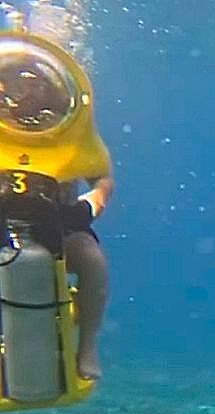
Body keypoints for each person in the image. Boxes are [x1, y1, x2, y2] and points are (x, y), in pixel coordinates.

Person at [0, 57, 112, 380]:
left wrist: (94, 201)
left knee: (93, 261)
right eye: (18, 83)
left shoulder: (69, 125)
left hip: (60, 220)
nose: (26, 94)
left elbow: (103, 176)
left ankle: (87, 347)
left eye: (35, 84)